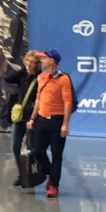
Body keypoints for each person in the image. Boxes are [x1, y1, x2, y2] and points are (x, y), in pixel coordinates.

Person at [28, 50, 74, 197]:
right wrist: (32, 118)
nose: (41, 61)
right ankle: (50, 173)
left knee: (56, 154)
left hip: (57, 121)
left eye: (44, 58)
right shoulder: (41, 77)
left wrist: (65, 124)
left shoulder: (63, 79)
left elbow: (68, 103)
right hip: (42, 120)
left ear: (52, 61)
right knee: (37, 151)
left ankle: (54, 185)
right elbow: (38, 100)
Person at [5, 51, 43, 186]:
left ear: (37, 64)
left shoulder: (39, 78)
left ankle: (33, 173)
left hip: (33, 117)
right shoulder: (21, 75)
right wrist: (22, 70)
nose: (29, 64)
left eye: (32, 62)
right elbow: (8, 79)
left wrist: (34, 118)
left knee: (31, 148)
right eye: (27, 61)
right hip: (20, 116)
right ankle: (22, 174)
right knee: (15, 146)